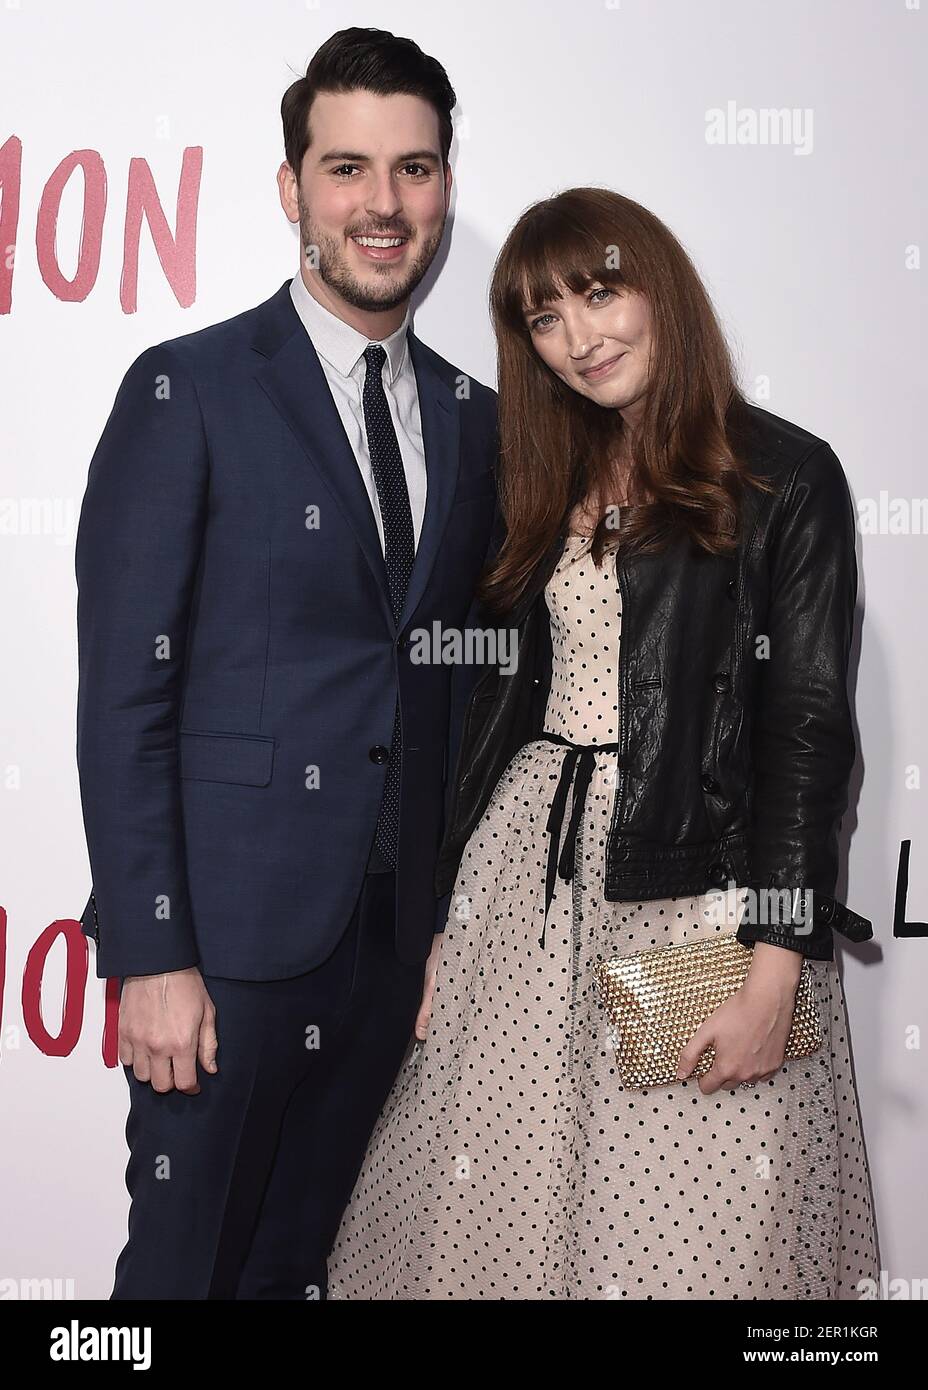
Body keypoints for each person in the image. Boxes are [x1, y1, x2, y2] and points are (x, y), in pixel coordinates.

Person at [327, 186, 881, 1300]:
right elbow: (494, 713)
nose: (578, 337)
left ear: (658, 286)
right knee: (499, 1228)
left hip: (697, 890)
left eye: (598, 292)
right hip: (524, 886)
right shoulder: (541, 480)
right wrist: (446, 915)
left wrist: (778, 965)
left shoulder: (783, 475)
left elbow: (807, 733)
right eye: (542, 317)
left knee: (692, 1239)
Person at [74, 27, 499, 1299]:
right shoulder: (188, 390)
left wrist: (437, 922)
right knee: (177, 1279)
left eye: (414, 170)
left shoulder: (480, 422)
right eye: (348, 168)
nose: (383, 204)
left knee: (294, 1274)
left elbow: (461, 685)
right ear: (290, 188)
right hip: (224, 954)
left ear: (444, 187)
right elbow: (123, 694)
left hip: (385, 952)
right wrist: (151, 953)